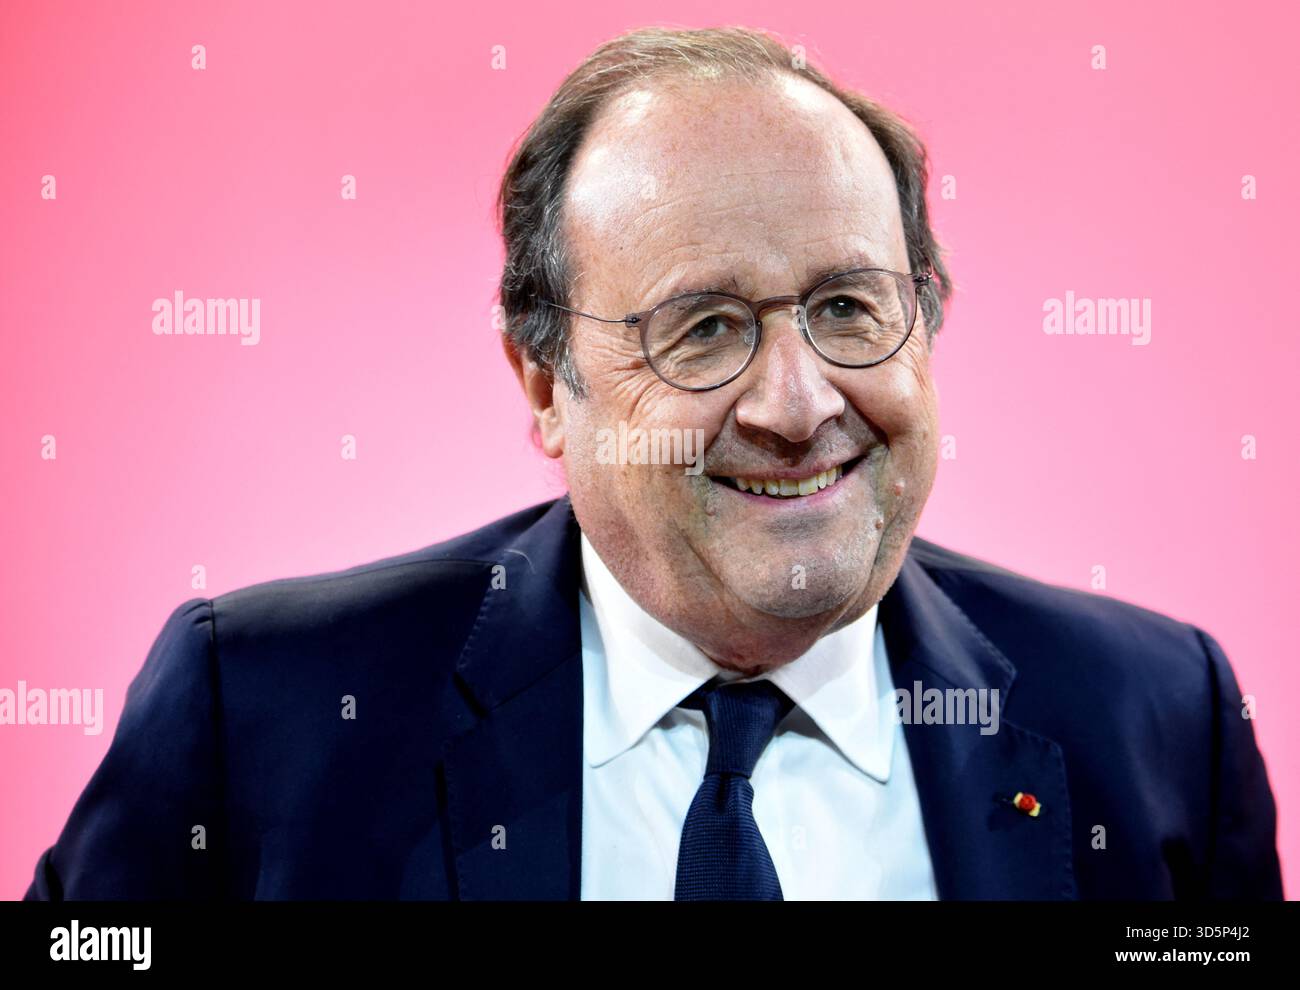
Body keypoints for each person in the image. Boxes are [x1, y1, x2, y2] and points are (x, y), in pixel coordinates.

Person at [25, 25, 1282, 900]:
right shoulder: (263, 711)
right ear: (543, 387)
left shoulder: (1156, 719)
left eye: (849, 308)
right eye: (704, 330)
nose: (796, 407)